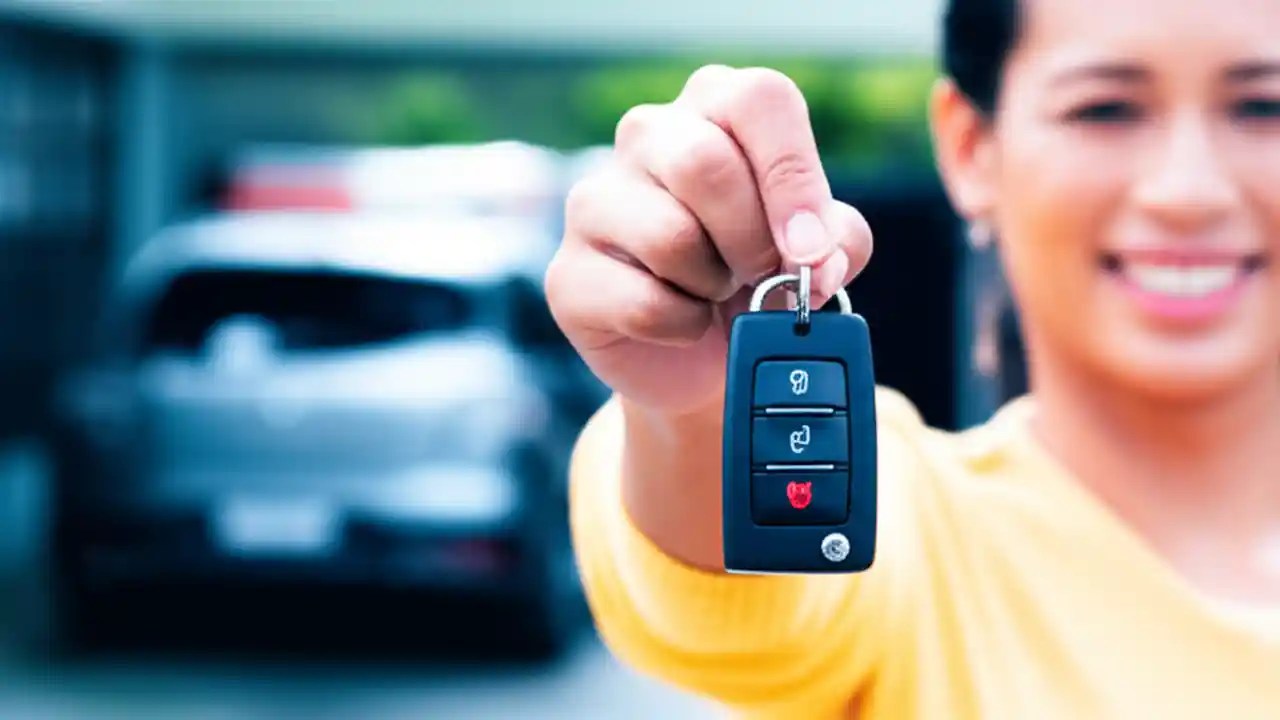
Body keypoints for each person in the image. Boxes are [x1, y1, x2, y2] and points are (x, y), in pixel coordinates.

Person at [542, 0, 1280, 716]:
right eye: (1105, 109)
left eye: (1266, 107)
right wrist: (701, 415)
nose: (1189, 192)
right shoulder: (918, 532)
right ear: (969, 147)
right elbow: (753, 613)